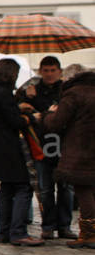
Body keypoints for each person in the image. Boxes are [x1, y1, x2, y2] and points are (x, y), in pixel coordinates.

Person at [0, 59, 41, 247]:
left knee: (7, 189)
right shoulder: (4, 93)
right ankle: (18, 232)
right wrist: (30, 117)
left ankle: (3, 232)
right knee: (23, 187)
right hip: (9, 145)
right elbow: (14, 121)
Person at [19, 56, 76, 240]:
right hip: (41, 144)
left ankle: (64, 226)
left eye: (53, 70)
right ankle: (48, 225)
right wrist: (25, 100)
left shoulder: (68, 90)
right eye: (46, 70)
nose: (49, 74)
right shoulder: (31, 90)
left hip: (64, 144)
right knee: (45, 188)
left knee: (66, 188)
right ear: (40, 71)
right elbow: (18, 108)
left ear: (59, 71)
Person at [41, 64, 95, 248]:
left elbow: (56, 123)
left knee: (83, 189)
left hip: (81, 149)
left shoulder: (74, 94)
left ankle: (89, 234)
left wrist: (47, 114)